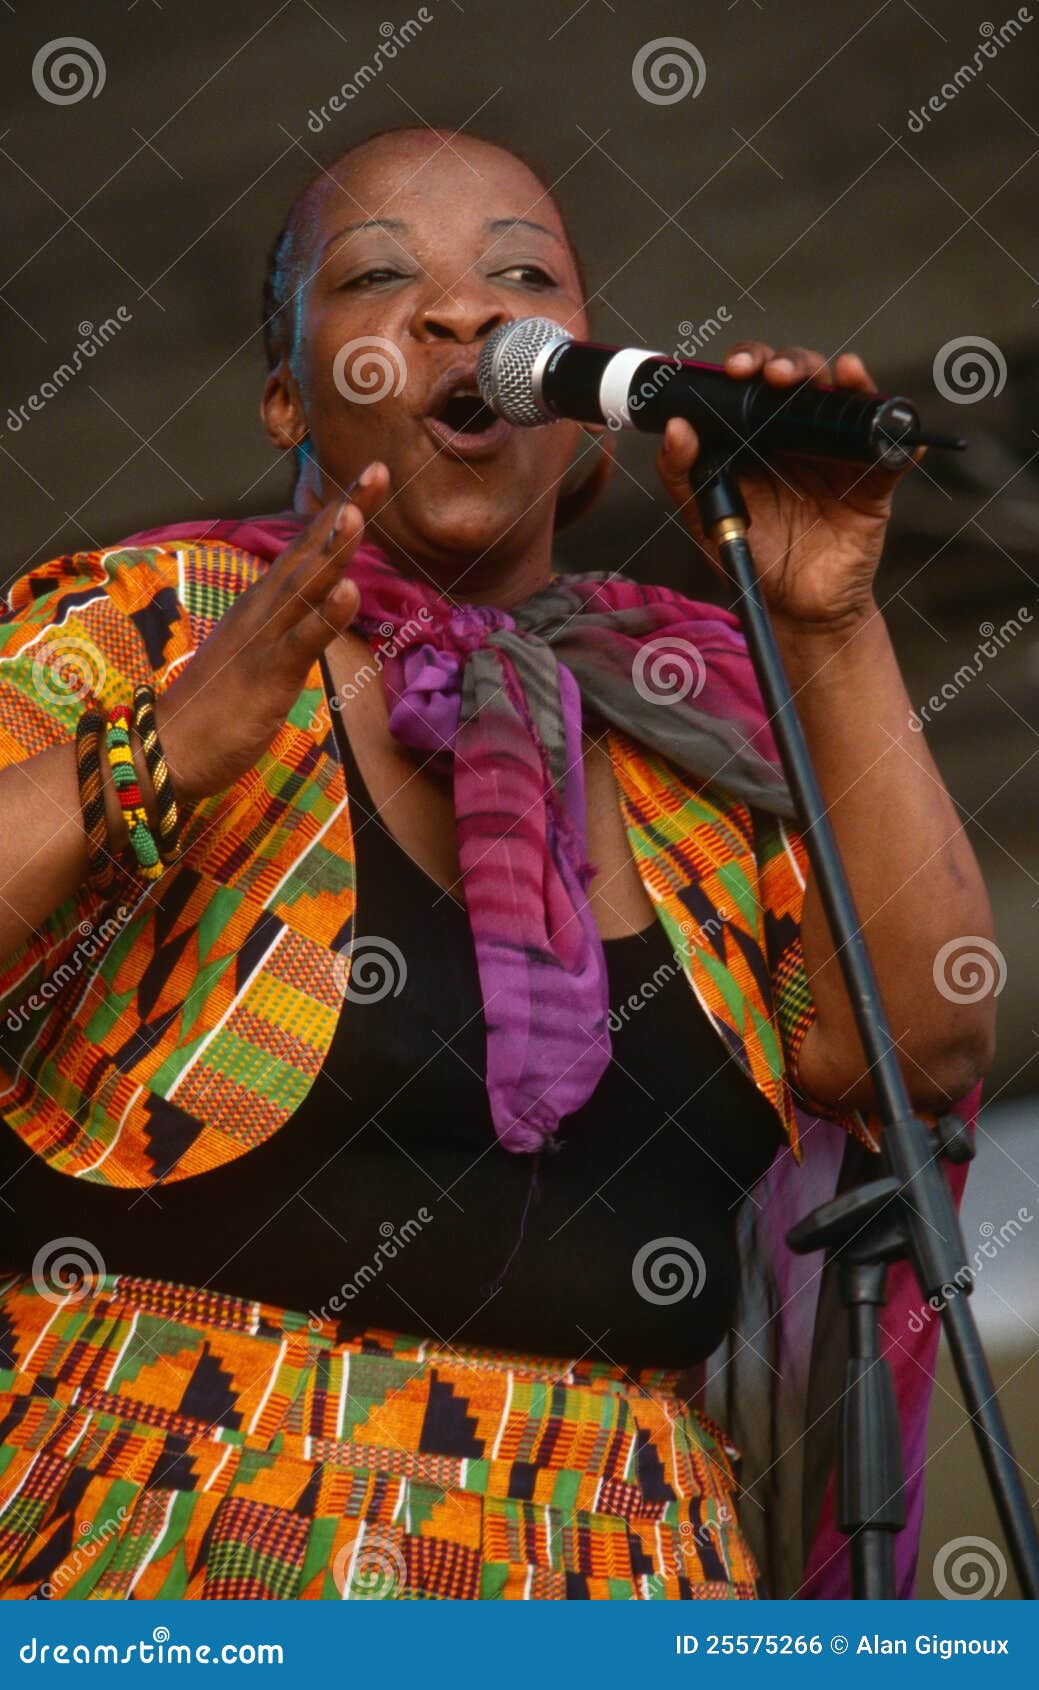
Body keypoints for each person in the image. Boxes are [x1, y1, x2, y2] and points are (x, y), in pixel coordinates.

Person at [0, 125, 994, 1601]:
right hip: (163, 1535)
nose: (465, 312)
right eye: (380, 277)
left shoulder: (699, 718)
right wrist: (154, 752)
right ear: (289, 391)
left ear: (587, 397)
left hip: (624, 1572)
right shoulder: (147, 620)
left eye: (520, 276)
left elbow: (923, 1041)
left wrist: (831, 628)